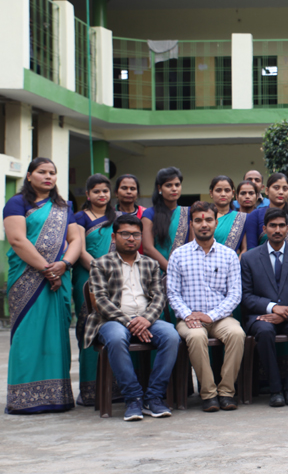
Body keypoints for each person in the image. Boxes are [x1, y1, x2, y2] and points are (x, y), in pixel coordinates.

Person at [3, 157, 81, 414]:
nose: (48, 176)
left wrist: (65, 265)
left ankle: (56, 396)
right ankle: (23, 398)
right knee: (28, 335)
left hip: (59, 280)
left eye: (52, 172)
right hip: (27, 278)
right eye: (41, 172)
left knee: (55, 336)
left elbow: (74, 239)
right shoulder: (17, 203)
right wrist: (48, 270)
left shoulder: (63, 206)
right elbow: (17, 240)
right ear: (29, 176)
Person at [84, 215, 179, 421]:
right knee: (117, 337)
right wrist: (129, 322)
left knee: (171, 335)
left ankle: (153, 397)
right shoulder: (100, 264)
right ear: (114, 236)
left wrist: (145, 320)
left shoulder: (150, 264)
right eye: (125, 234)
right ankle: (133, 397)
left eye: (136, 234)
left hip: (146, 320)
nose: (131, 239)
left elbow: (159, 297)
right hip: (111, 321)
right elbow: (100, 301)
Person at [167, 202, 245, 412]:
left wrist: (211, 316)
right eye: (199, 220)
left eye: (208, 220)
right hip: (189, 318)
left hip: (219, 318)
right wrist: (187, 315)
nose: (204, 224)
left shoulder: (228, 255)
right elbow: (173, 293)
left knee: (237, 334)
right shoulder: (178, 255)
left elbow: (235, 294)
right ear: (191, 223)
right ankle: (208, 394)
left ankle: (226, 392)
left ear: (216, 222)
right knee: (195, 336)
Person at [241, 208, 288, 407]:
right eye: (272, 226)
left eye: (281, 225)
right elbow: (246, 296)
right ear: (264, 229)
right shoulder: (249, 258)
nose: (277, 230)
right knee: (264, 332)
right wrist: (274, 308)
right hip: (262, 315)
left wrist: (287, 312)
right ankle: (275, 389)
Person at [74, 173, 117, 406]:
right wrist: (101, 271)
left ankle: (116, 387)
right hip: (88, 276)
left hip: (117, 278)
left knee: (117, 327)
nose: (102, 195)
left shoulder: (117, 217)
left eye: (105, 191)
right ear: (88, 194)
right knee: (89, 329)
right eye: (97, 191)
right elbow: (79, 250)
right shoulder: (80, 218)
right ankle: (90, 390)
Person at [142, 167, 189, 273]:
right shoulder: (149, 214)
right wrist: (171, 269)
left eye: (177, 185)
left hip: (184, 271)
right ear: (159, 188)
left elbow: (193, 245)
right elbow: (148, 248)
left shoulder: (188, 213)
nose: (174, 189)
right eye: (169, 185)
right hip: (157, 273)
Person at [246, 173, 288, 251]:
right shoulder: (256, 215)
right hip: (261, 261)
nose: (281, 192)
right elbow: (251, 248)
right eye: (276, 188)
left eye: (285, 189)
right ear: (267, 191)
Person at [210, 176, 247, 254]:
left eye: (227, 190)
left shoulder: (242, 218)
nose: (223, 194)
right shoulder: (206, 219)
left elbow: (245, 249)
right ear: (211, 193)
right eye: (218, 190)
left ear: (233, 193)